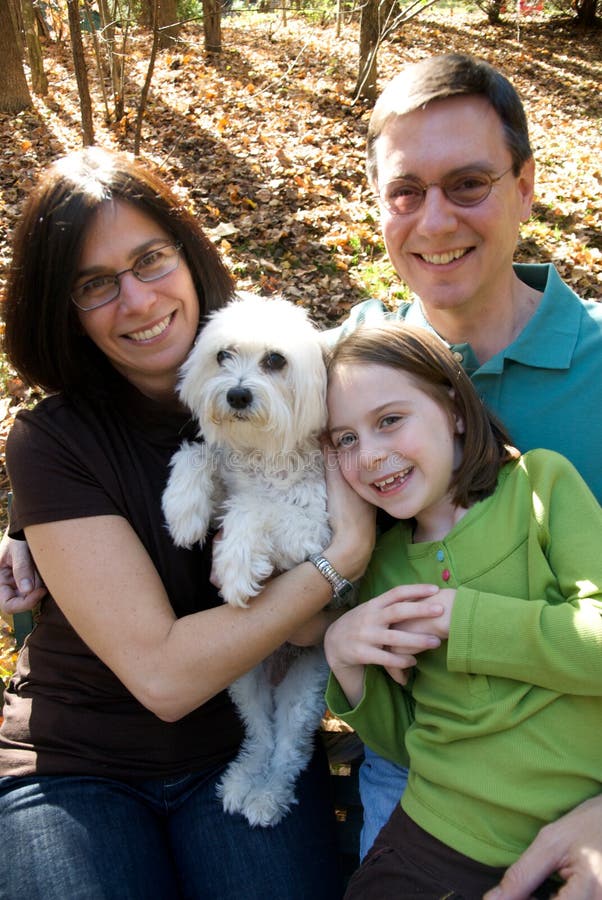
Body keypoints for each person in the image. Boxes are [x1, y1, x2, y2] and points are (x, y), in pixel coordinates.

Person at [0, 146, 375, 900]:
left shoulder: (296, 378)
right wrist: (344, 558)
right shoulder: (53, 442)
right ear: (62, 311)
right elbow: (165, 678)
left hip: (240, 743)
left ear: (189, 256)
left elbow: (413, 376)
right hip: (76, 764)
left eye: (150, 260)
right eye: (94, 285)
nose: (136, 302)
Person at [328, 51, 602, 894]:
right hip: (422, 781)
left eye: (469, 184)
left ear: (525, 185)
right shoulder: (341, 371)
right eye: (406, 192)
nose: (434, 221)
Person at [323, 321, 602, 898]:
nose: (371, 455)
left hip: (577, 832)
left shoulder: (539, 486)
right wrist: (344, 660)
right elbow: (404, 742)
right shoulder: (383, 567)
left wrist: (465, 619)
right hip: (433, 837)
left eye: (389, 420)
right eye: (345, 440)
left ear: (452, 407)